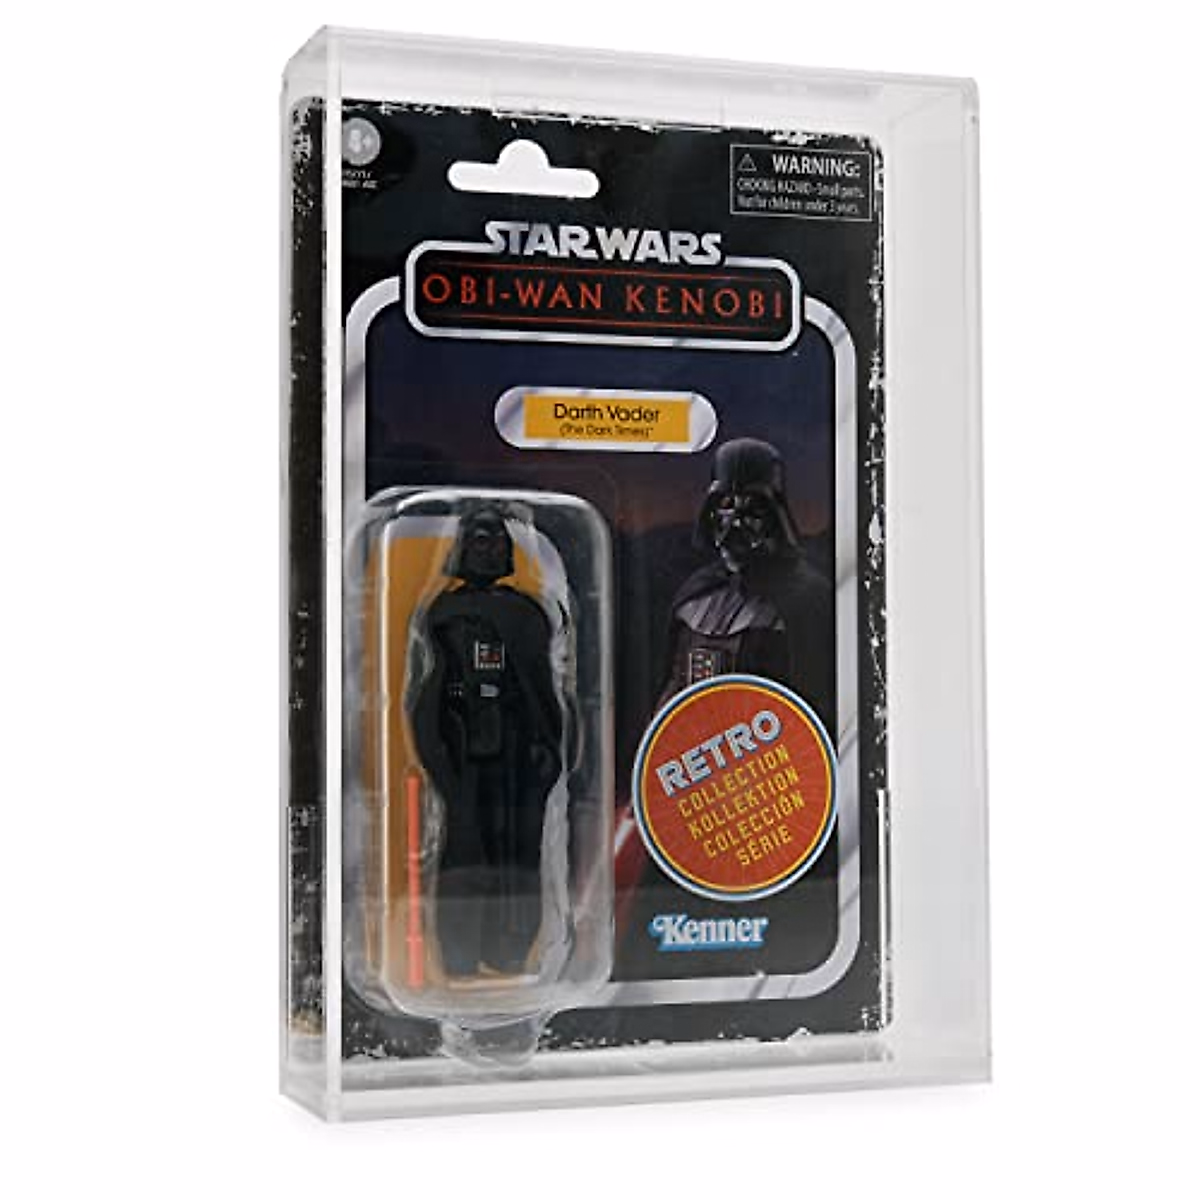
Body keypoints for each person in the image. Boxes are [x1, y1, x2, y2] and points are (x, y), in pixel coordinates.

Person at [410, 506, 564, 978]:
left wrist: (545, 745)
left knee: (516, 849)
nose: (490, 550)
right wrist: (437, 750)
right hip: (463, 755)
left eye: (497, 541)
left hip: (515, 754)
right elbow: (429, 688)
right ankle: (459, 952)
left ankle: (510, 950)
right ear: (461, 548)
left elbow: (540, 685)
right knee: (465, 847)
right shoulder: (443, 613)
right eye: (479, 540)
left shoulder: (526, 613)